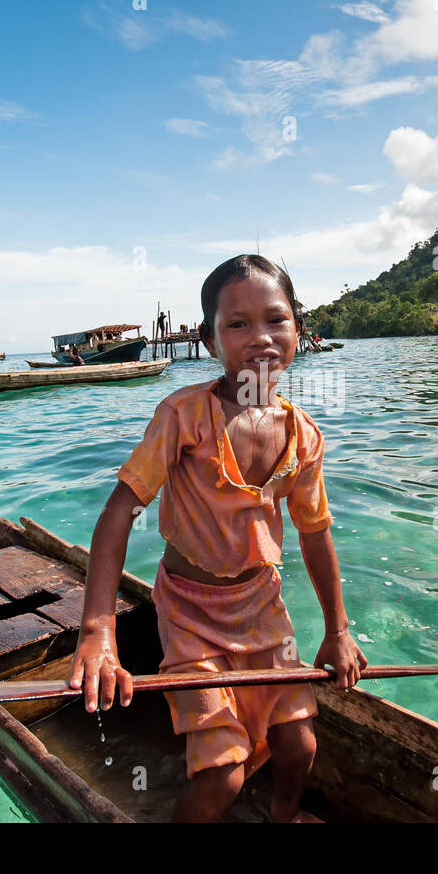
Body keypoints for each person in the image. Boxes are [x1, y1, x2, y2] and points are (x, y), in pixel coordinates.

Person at [70, 253, 365, 823]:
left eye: (275, 320)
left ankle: (282, 815)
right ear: (209, 341)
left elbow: (315, 533)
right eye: (237, 324)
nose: (260, 338)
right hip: (191, 613)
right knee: (222, 776)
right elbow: (118, 512)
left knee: (300, 747)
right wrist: (98, 632)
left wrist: (338, 631)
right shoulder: (183, 416)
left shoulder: (303, 436)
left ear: (299, 331)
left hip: (262, 606)